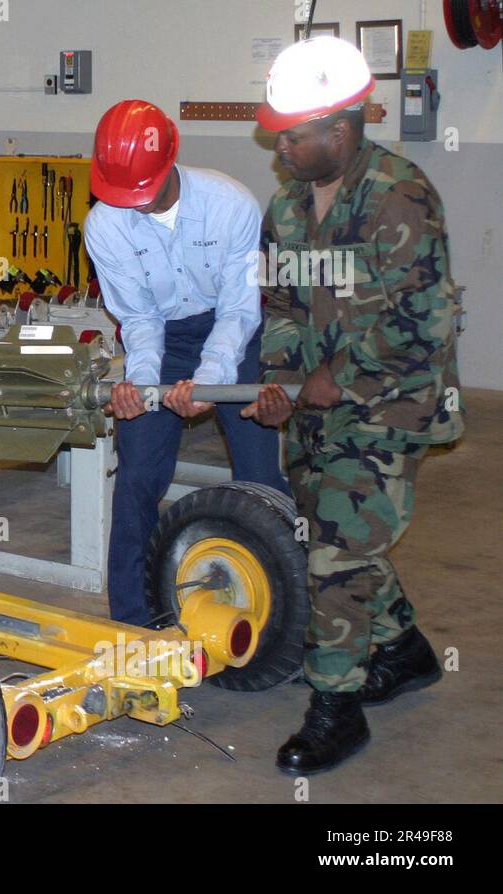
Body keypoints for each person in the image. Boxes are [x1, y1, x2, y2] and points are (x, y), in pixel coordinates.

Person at [244, 36, 464, 775]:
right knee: (338, 533)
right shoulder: (288, 205)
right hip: (312, 405)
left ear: (339, 131)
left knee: (338, 547)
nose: (282, 151)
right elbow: (277, 299)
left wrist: (337, 377)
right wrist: (280, 379)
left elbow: (422, 322)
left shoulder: (399, 194)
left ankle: (334, 709)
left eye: (293, 137)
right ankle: (402, 650)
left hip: (388, 400)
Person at [84, 99, 290, 627]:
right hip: (162, 336)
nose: (134, 207)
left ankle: (283, 612)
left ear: (169, 163)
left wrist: (211, 379)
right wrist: (141, 383)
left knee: (260, 477)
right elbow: (140, 318)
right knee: (137, 478)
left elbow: (240, 308)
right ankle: (133, 622)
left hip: (233, 332)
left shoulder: (230, 204)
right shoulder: (105, 225)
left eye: (143, 195)